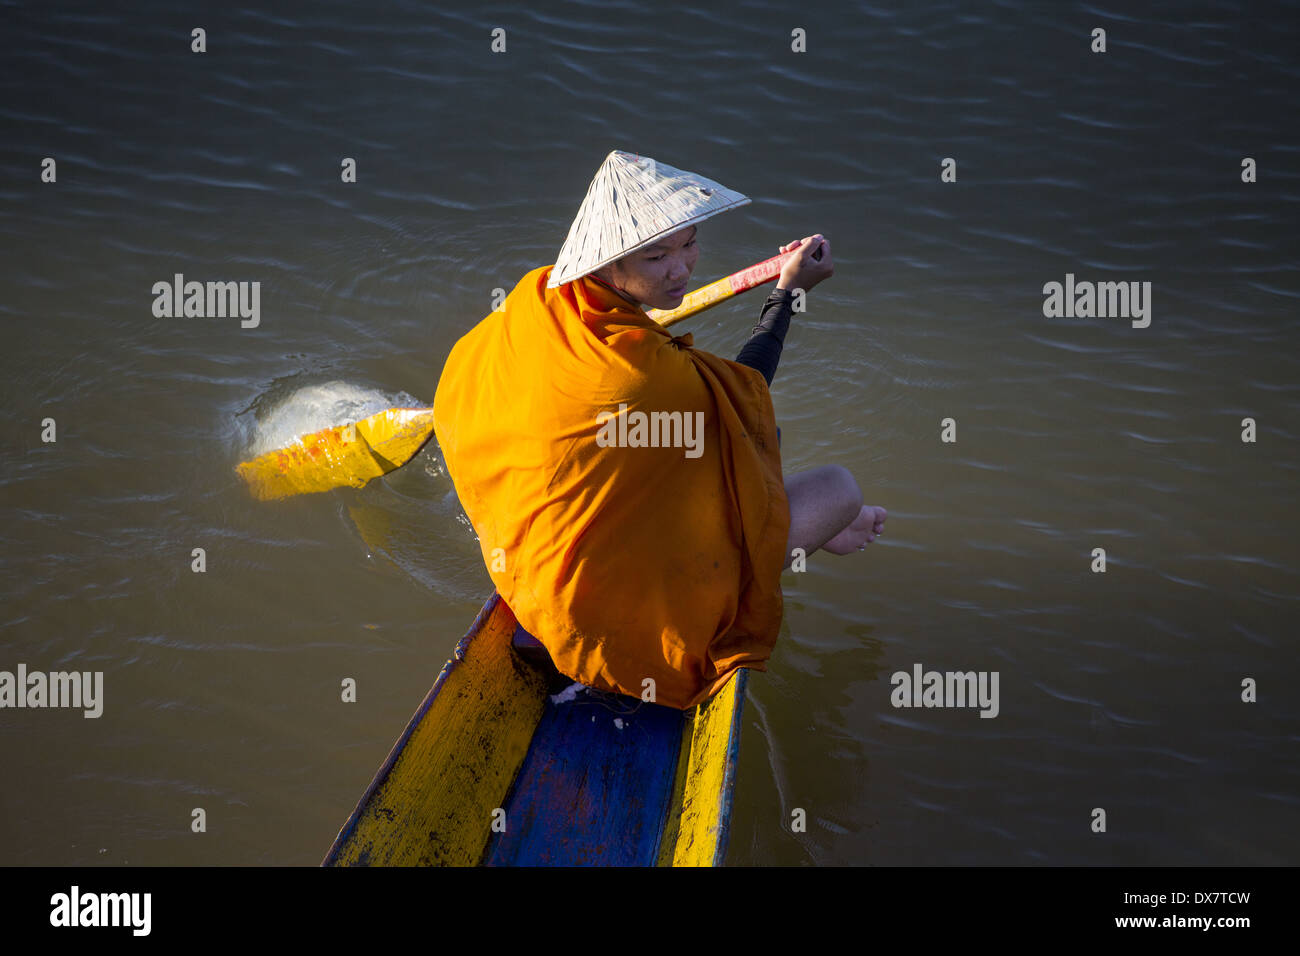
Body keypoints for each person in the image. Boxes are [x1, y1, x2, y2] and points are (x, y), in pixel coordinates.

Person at [432, 150, 886, 710]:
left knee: (729, 443)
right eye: (655, 256)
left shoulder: (533, 300)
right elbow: (746, 393)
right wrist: (787, 296)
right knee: (835, 486)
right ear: (604, 263)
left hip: (527, 578)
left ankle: (803, 528)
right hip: (605, 630)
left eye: (690, 243)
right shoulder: (640, 378)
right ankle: (805, 532)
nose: (682, 269)